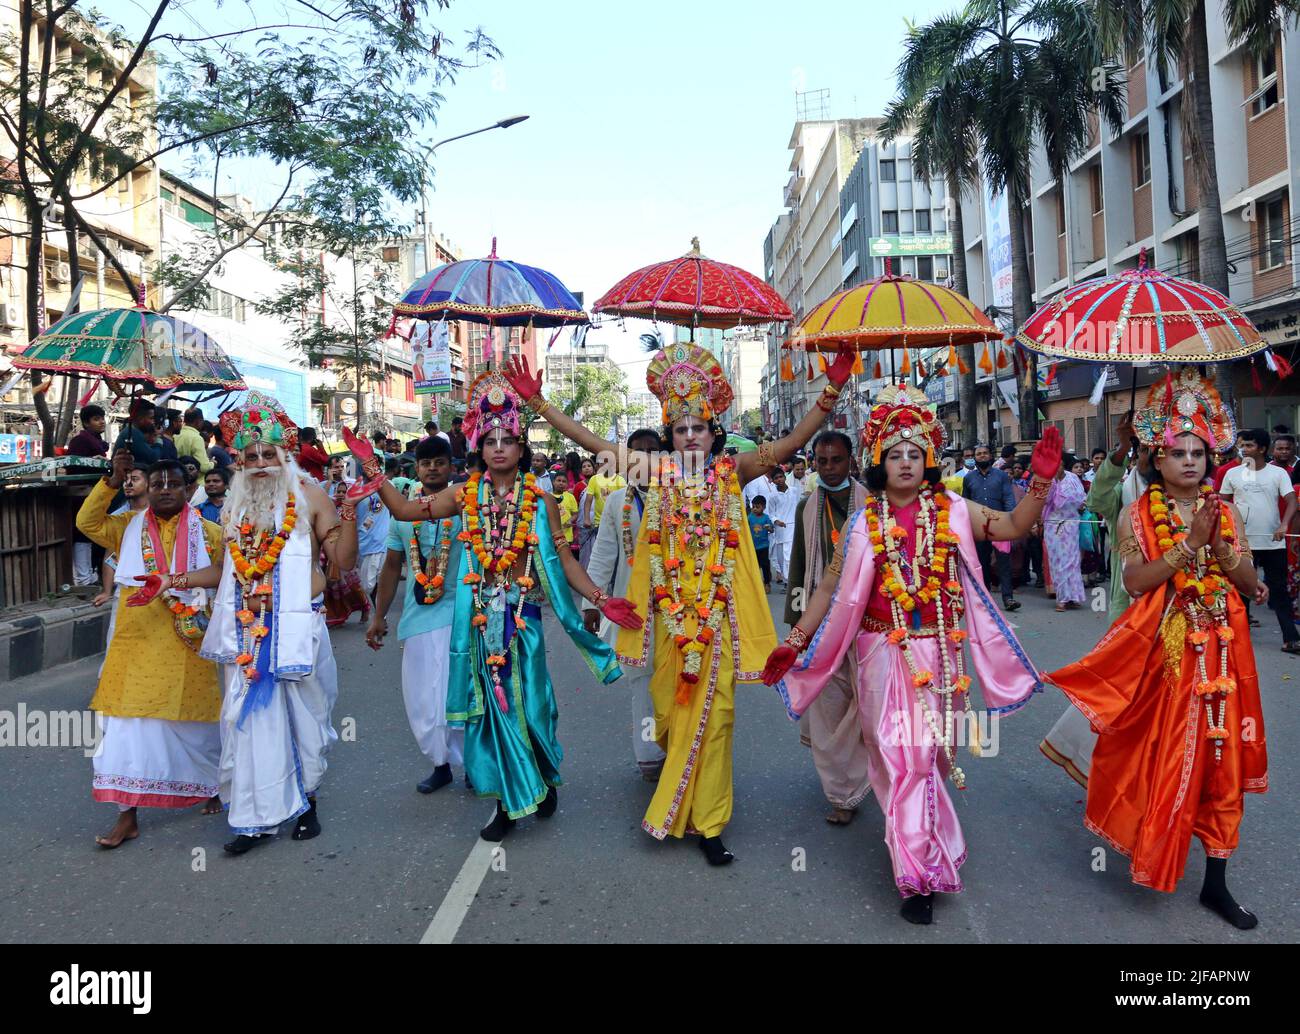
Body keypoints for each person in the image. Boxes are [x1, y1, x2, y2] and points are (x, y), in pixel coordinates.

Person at [503, 343, 857, 865]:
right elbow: (591, 440)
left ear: (715, 433)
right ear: (670, 434)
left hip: (716, 622)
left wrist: (831, 391)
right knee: (668, 717)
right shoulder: (653, 472)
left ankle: (711, 825)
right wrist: (541, 407)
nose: (691, 435)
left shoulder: (733, 472)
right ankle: (682, 786)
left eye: (699, 426)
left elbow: (789, 444)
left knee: (717, 722)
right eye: (681, 427)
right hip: (669, 623)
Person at [762, 386, 1059, 924]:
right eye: (895, 453)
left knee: (930, 760)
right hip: (881, 652)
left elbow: (1015, 527)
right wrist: (796, 640)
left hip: (943, 655)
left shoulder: (953, 510)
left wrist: (1039, 482)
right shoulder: (862, 523)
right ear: (880, 462)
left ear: (929, 462)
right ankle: (916, 876)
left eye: (915, 453)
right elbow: (828, 593)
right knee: (900, 760)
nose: (905, 462)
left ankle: (921, 851)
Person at [343, 372, 638, 842]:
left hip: (524, 617)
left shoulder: (541, 500)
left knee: (534, 705)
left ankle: (541, 772)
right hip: (480, 619)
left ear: (521, 449)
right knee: (494, 707)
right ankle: (507, 800)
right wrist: (375, 473)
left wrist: (602, 599)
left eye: (508, 440)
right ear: (478, 448)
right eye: (490, 440)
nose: (499, 448)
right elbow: (404, 511)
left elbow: (563, 560)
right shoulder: (464, 496)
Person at [1046, 371, 1267, 928]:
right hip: (1167, 659)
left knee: (1224, 765)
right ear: (1156, 457)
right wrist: (1189, 546)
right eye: (1177, 451)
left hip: (1225, 653)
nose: (1190, 460)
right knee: (1169, 759)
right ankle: (1156, 847)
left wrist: (1219, 546)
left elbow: (1245, 582)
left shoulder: (1226, 509)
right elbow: (1140, 581)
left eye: (1198, 450)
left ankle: (1215, 884)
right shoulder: (1138, 513)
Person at [149, 395, 359, 854]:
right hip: (244, 633)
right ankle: (253, 820)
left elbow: (341, 565)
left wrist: (348, 513)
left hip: (296, 632)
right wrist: (174, 578)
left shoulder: (310, 497)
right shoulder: (233, 509)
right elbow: (224, 569)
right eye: (250, 456)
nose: (260, 464)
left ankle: (306, 804)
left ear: (284, 455)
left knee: (302, 720)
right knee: (244, 727)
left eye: (269, 454)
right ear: (238, 462)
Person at [76, 451, 225, 848]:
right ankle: (127, 815)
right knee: (125, 730)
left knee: (191, 725)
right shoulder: (126, 526)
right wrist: (111, 480)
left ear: (188, 489)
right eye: (156, 484)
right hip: (135, 643)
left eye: (172, 484)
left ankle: (210, 786)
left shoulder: (209, 532)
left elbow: (223, 577)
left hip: (186, 640)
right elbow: (86, 522)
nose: (163, 490)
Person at [1040, 411, 1149, 787]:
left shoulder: (1205, 500)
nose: (1178, 459)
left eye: (1190, 453)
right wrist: (1121, 449)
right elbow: (1099, 499)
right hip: (1133, 607)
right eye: (1152, 450)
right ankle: (1109, 768)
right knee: (1122, 691)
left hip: (1188, 615)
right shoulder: (1129, 487)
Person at [366, 436, 466, 793]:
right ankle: (440, 763)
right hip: (419, 617)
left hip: (462, 614)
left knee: (461, 691)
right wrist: (379, 616)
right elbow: (392, 567)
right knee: (423, 695)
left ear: (451, 466)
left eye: (439, 461)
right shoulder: (403, 514)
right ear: (417, 469)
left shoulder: (465, 504)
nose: (433, 468)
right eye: (426, 464)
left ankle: (472, 762)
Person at [783, 430, 871, 825]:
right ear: (813, 462)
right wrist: (797, 629)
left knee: (867, 704)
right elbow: (799, 569)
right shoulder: (806, 506)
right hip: (822, 622)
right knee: (830, 708)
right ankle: (842, 793)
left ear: (851, 461)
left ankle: (874, 775)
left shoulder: (872, 503)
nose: (829, 467)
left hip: (869, 622)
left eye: (837, 460)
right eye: (822, 461)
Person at [583, 428, 667, 782]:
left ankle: (679, 749)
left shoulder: (680, 496)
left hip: (679, 607)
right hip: (634, 609)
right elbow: (604, 552)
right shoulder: (618, 501)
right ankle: (649, 753)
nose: (644, 458)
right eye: (636, 452)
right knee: (642, 684)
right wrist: (592, 601)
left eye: (652, 451)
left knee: (677, 679)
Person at [1219, 427, 1300, 652]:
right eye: (1242, 445)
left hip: (1273, 542)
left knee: (1279, 591)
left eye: (1249, 445)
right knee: (1241, 591)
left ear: (1262, 449)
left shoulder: (1278, 473)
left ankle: (1291, 638)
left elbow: (1292, 501)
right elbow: (1223, 503)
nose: (1243, 449)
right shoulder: (1232, 474)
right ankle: (1237, 637)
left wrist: (1284, 525)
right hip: (1242, 544)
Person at [962, 443, 1020, 611]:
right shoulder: (969, 478)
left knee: (1004, 562)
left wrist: (1010, 519)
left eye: (985, 453)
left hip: (999, 524)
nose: (982, 456)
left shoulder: (1001, 476)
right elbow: (965, 502)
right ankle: (985, 597)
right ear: (974, 457)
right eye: (978, 454)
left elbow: (1008, 497)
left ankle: (1008, 598)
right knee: (982, 562)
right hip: (978, 526)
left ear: (991, 455)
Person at [1042, 452, 1087, 612]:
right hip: (1053, 525)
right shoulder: (1046, 480)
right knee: (1057, 561)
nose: (1058, 468)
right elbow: (1045, 501)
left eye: (1060, 464)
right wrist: (1054, 484)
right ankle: (1062, 598)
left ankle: (1074, 597)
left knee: (1072, 561)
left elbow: (1080, 498)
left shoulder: (1072, 478)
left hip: (1070, 524)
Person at [765, 467, 799, 584]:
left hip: (793, 526)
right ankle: (786, 579)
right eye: (776, 478)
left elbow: (799, 506)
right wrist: (776, 521)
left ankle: (790, 581)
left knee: (789, 555)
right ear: (773, 481)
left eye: (780, 477)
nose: (779, 480)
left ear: (785, 477)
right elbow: (770, 513)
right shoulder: (772, 496)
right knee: (781, 557)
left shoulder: (794, 491)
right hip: (780, 528)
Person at [112, 398, 163, 466]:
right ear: (140, 419)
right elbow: (153, 457)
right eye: (151, 418)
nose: (153, 422)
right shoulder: (132, 433)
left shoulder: (133, 431)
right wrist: (158, 439)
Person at [748, 496, 775, 591]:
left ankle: (767, 583)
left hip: (763, 546)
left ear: (763, 507)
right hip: (753, 546)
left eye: (757, 507)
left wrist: (769, 528)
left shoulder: (766, 518)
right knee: (754, 565)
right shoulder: (750, 517)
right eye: (753, 507)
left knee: (765, 565)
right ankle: (755, 584)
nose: (755, 509)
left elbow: (772, 530)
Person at [175, 408, 213, 474]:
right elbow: (204, 467)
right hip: (196, 481)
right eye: (202, 421)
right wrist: (213, 463)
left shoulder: (175, 434)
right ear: (198, 421)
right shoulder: (197, 438)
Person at [550, 470, 579, 556]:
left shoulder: (570, 497)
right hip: (551, 534)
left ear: (567, 484)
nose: (561, 483)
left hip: (566, 536)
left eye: (564, 481)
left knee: (565, 558)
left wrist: (570, 520)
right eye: (558, 480)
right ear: (553, 482)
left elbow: (575, 514)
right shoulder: (548, 496)